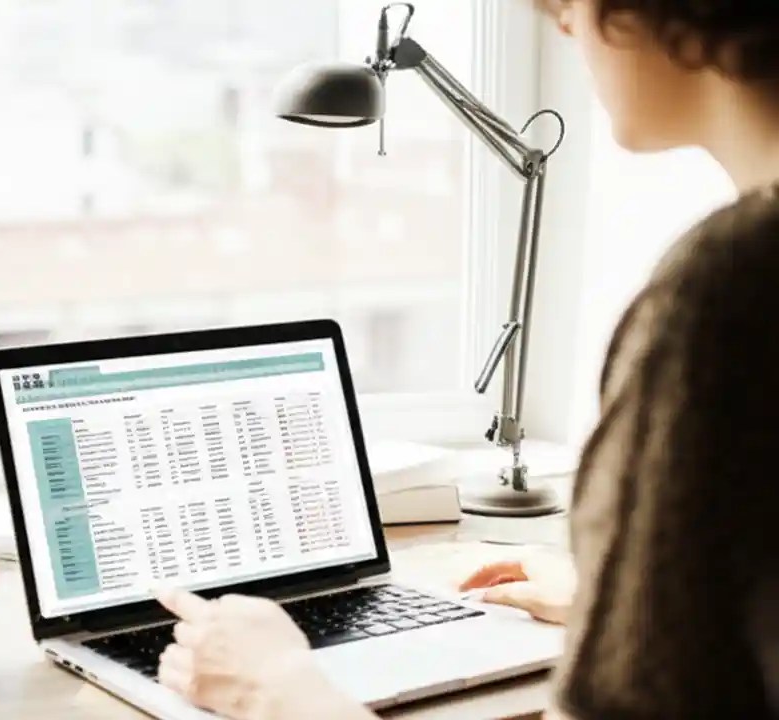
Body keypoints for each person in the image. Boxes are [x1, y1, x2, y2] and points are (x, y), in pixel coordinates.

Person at [154, 1, 779, 717]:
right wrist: (626, 607)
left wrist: (278, 689)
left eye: (569, 4)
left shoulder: (732, 291)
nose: (562, 25)